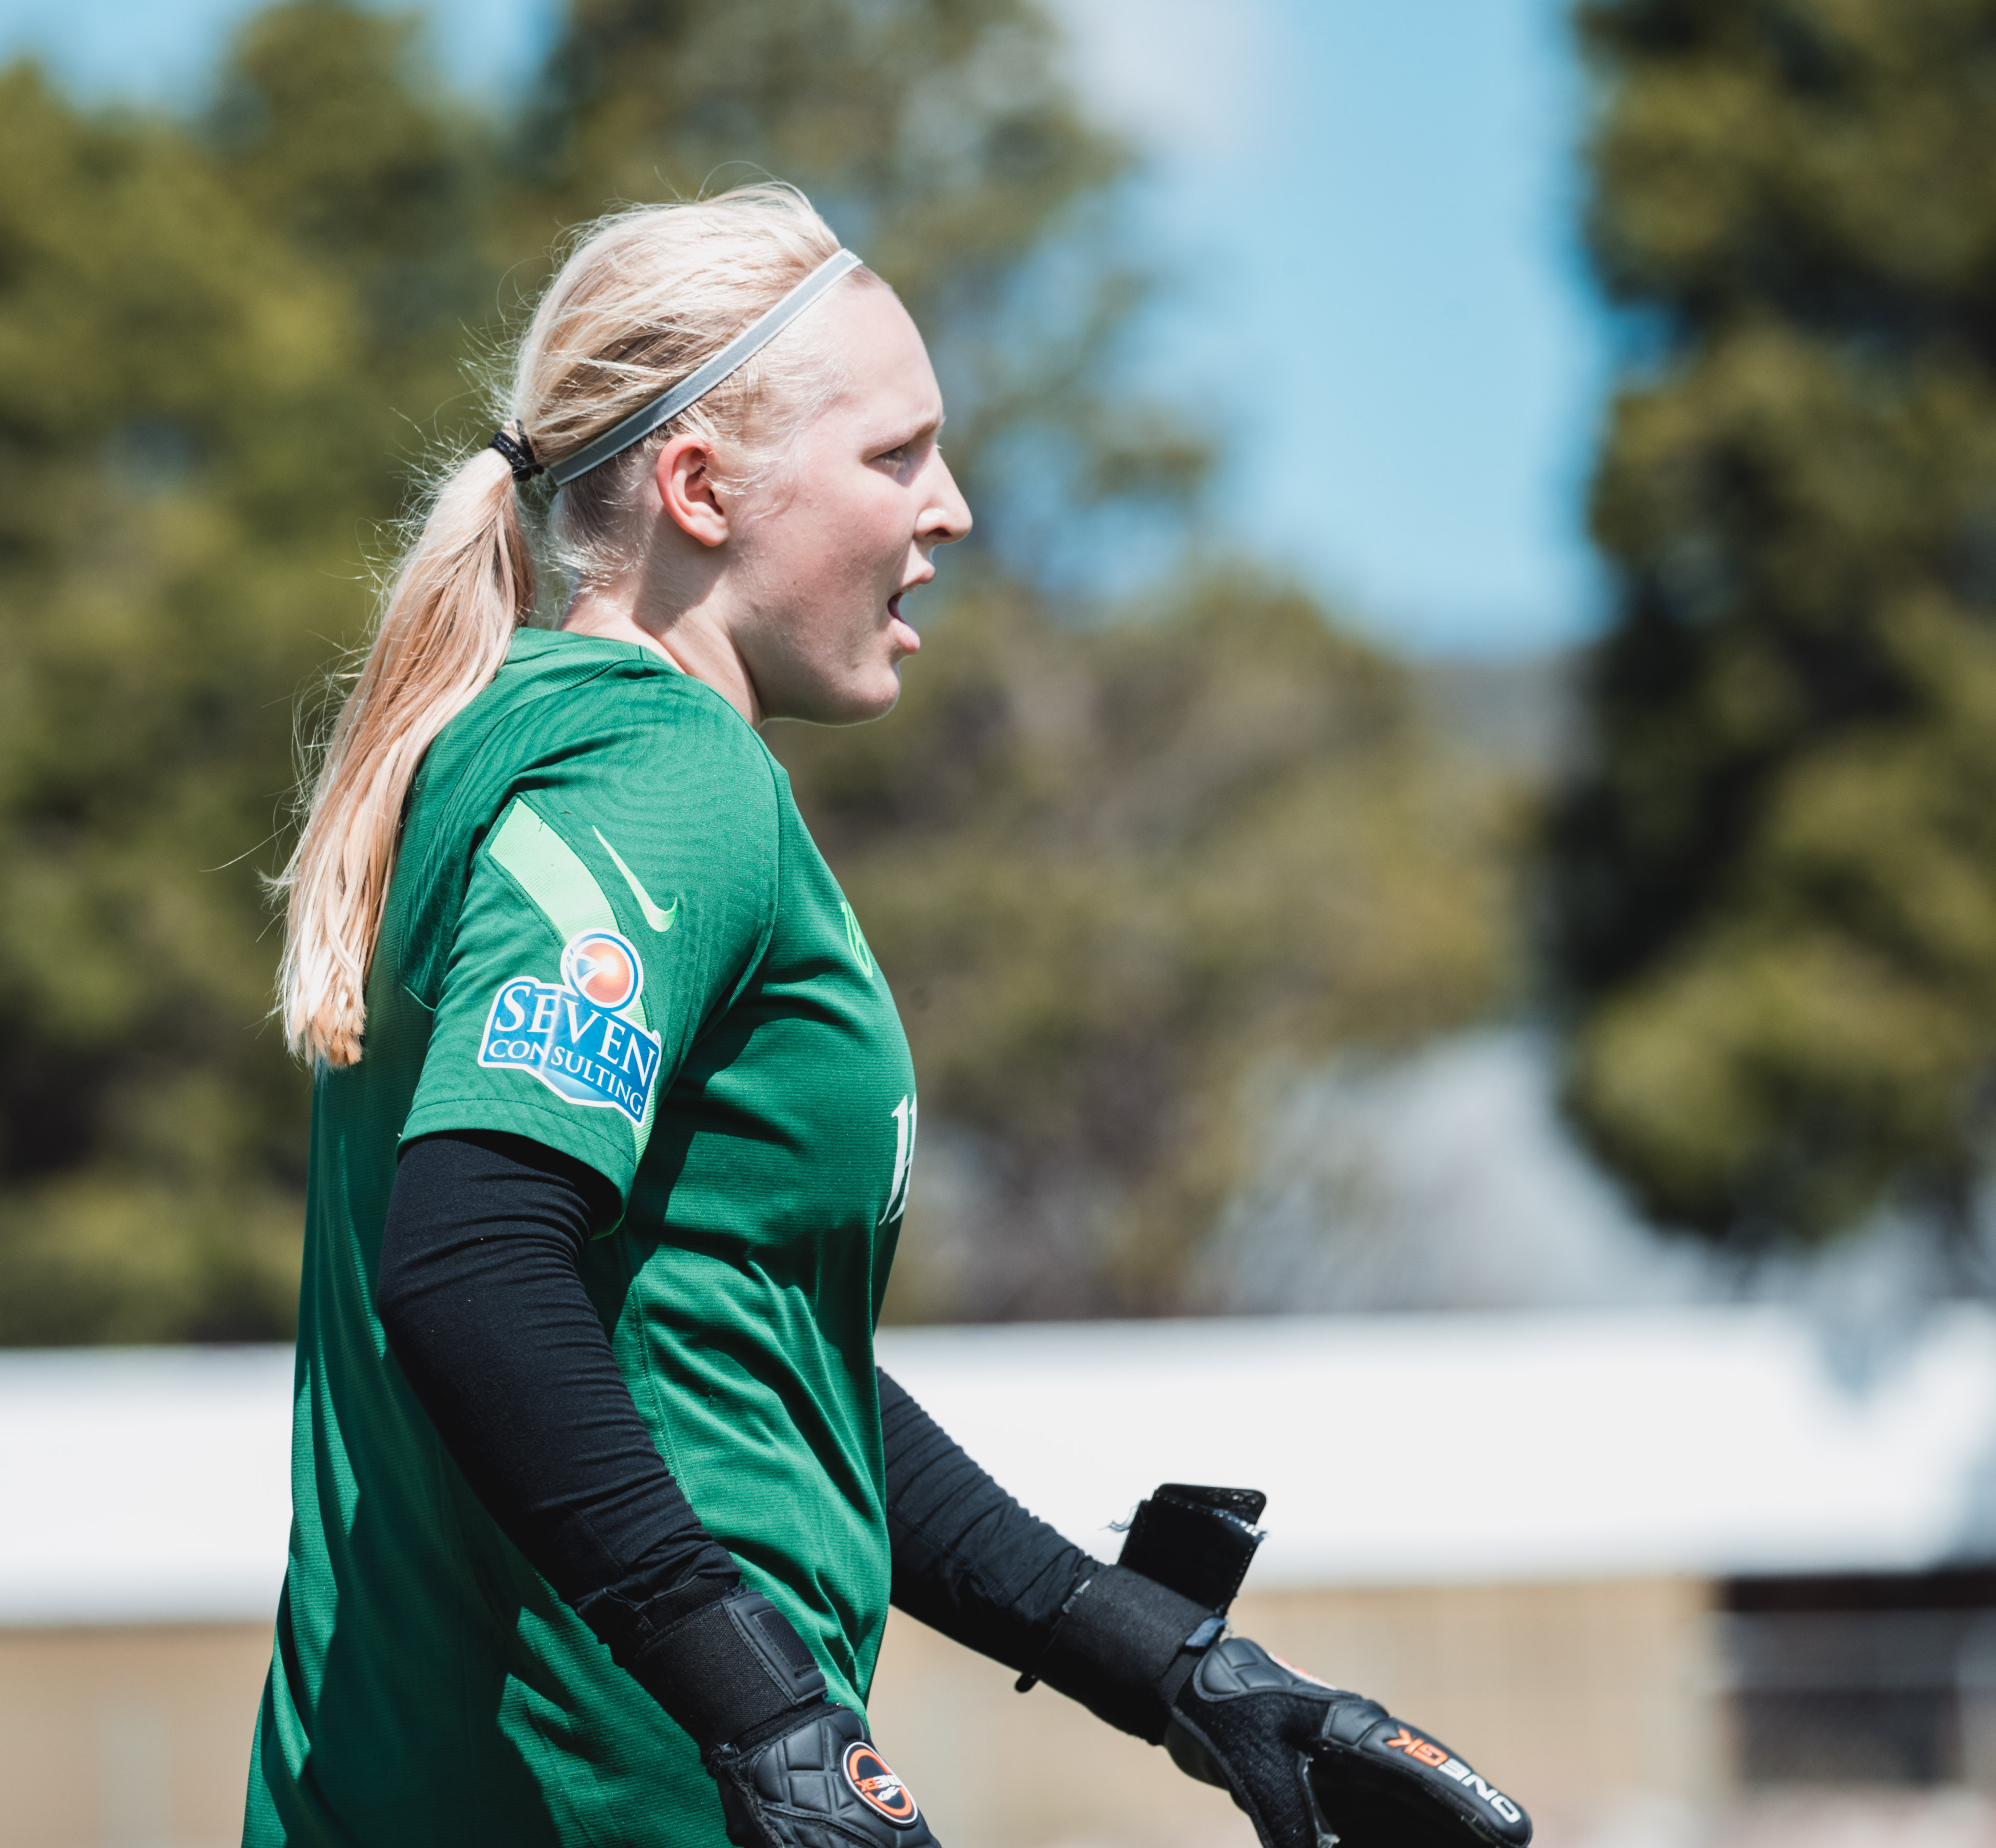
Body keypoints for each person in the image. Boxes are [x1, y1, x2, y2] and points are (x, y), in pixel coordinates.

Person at [243, 185, 1530, 1848]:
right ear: (701, 488)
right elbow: (473, 1262)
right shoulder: (660, 773)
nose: (957, 509)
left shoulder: (524, 751)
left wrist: (1175, 1671)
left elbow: (767, 1366)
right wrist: (770, 1717)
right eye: (897, 455)